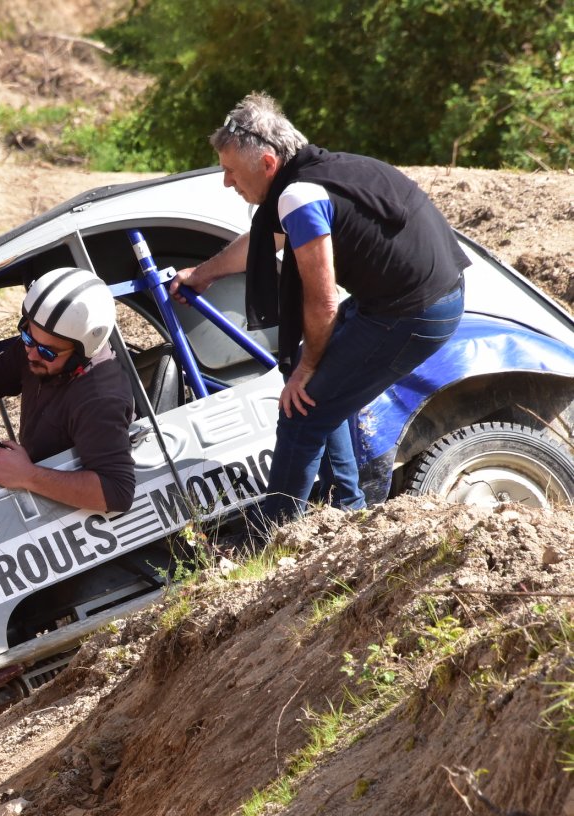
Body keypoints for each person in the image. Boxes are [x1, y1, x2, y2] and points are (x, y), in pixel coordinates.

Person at [171, 92, 467, 543]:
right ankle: (347, 514)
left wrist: (306, 368)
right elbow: (260, 242)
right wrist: (203, 274)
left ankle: (271, 539)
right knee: (323, 398)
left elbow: (324, 302)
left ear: (268, 163)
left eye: (231, 170)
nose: (227, 182)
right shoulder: (317, 172)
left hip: (413, 311)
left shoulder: (299, 196)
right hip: (410, 298)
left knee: (302, 409)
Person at [0, 267, 135, 513]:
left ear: (80, 354)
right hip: (35, 491)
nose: (32, 354)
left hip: (66, 513)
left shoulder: (99, 399)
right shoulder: (41, 347)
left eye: (47, 351)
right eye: (27, 337)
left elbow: (117, 491)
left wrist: (28, 475)